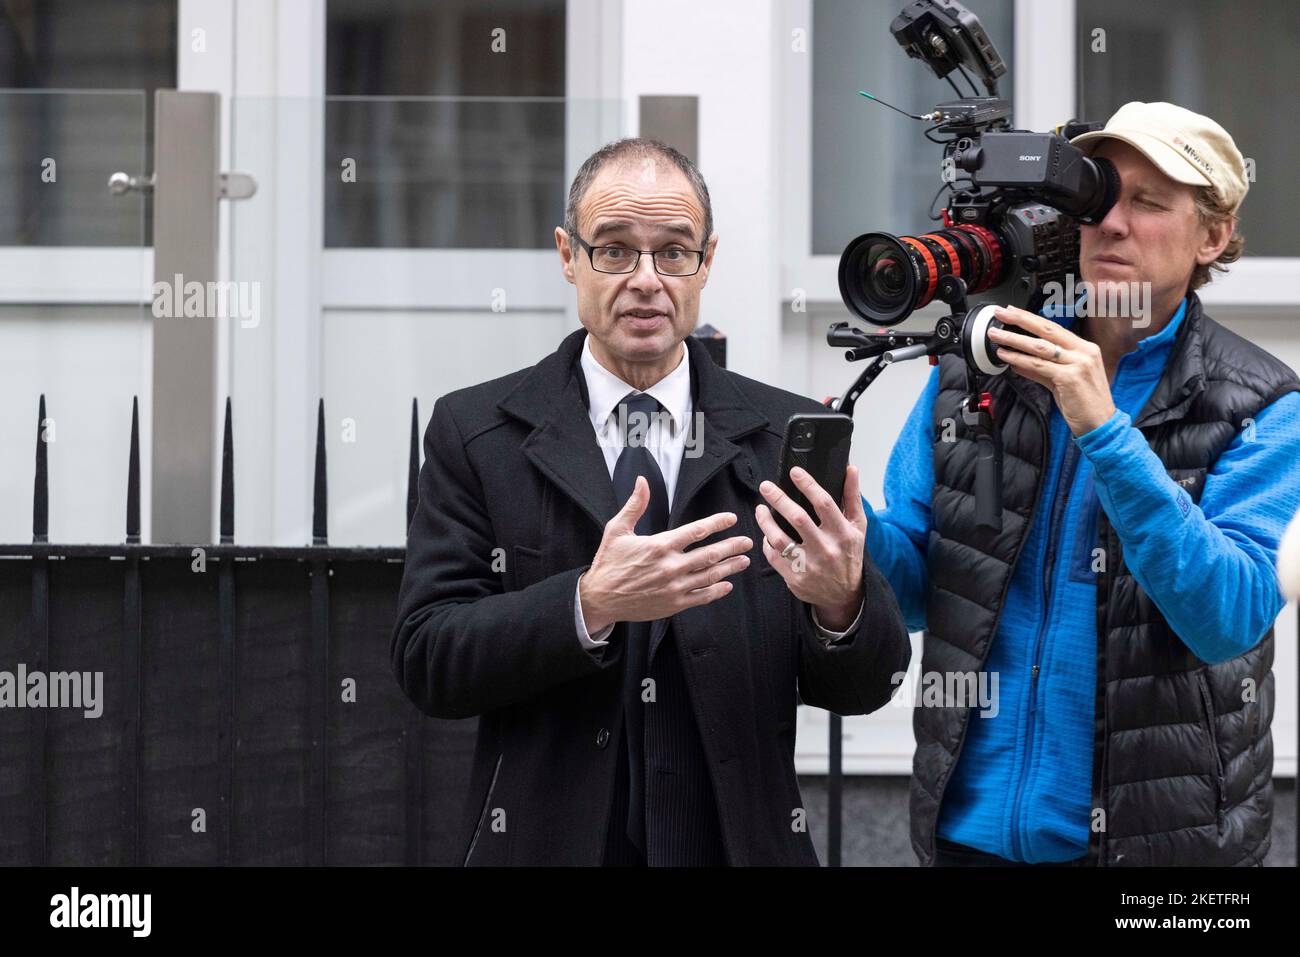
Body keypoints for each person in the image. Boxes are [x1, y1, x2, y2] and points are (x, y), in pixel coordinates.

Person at [391, 137, 911, 866]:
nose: (646, 279)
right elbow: (428, 658)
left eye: (673, 252)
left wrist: (840, 602)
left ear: (707, 261)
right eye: (614, 250)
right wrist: (588, 603)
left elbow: (868, 685)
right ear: (568, 255)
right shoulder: (478, 433)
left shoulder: (781, 434)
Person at [864, 102, 1300, 866]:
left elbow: (1226, 614)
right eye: (1097, 198)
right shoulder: (980, 366)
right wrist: (844, 532)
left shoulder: (1264, 404)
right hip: (968, 834)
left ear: (1214, 235)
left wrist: (1106, 432)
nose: (1113, 224)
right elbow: (913, 589)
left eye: (1149, 203)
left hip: (1157, 850)